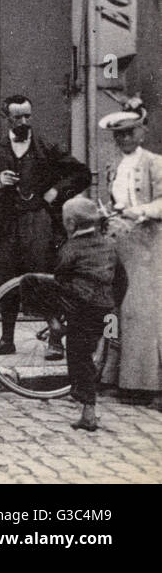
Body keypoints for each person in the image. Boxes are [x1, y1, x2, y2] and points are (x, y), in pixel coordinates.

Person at [0, 94, 90, 356]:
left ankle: (55, 340)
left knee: (43, 279)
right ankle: (6, 339)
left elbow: (80, 173)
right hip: (5, 226)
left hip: (37, 224)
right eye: (18, 117)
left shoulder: (46, 147)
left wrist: (55, 192)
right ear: (7, 118)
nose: (24, 121)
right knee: (6, 281)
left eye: (28, 116)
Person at [20, 197, 124, 431]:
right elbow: (121, 280)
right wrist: (113, 306)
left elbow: (60, 276)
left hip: (78, 306)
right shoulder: (109, 245)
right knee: (87, 353)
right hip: (105, 309)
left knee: (30, 282)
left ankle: (54, 322)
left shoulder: (71, 248)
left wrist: (58, 306)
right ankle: (88, 408)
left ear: (70, 223)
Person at [98, 100, 162, 409]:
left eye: (129, 133)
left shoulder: (154, 162)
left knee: (140, 311)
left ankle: (144, 382)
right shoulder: (113, 164)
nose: (123, 139)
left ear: (142, 132)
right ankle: (112, 376)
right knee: (113, 307)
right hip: (118, 239)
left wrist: (140, 211)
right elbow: (111, 199)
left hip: (147, 243)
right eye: (118, 135)